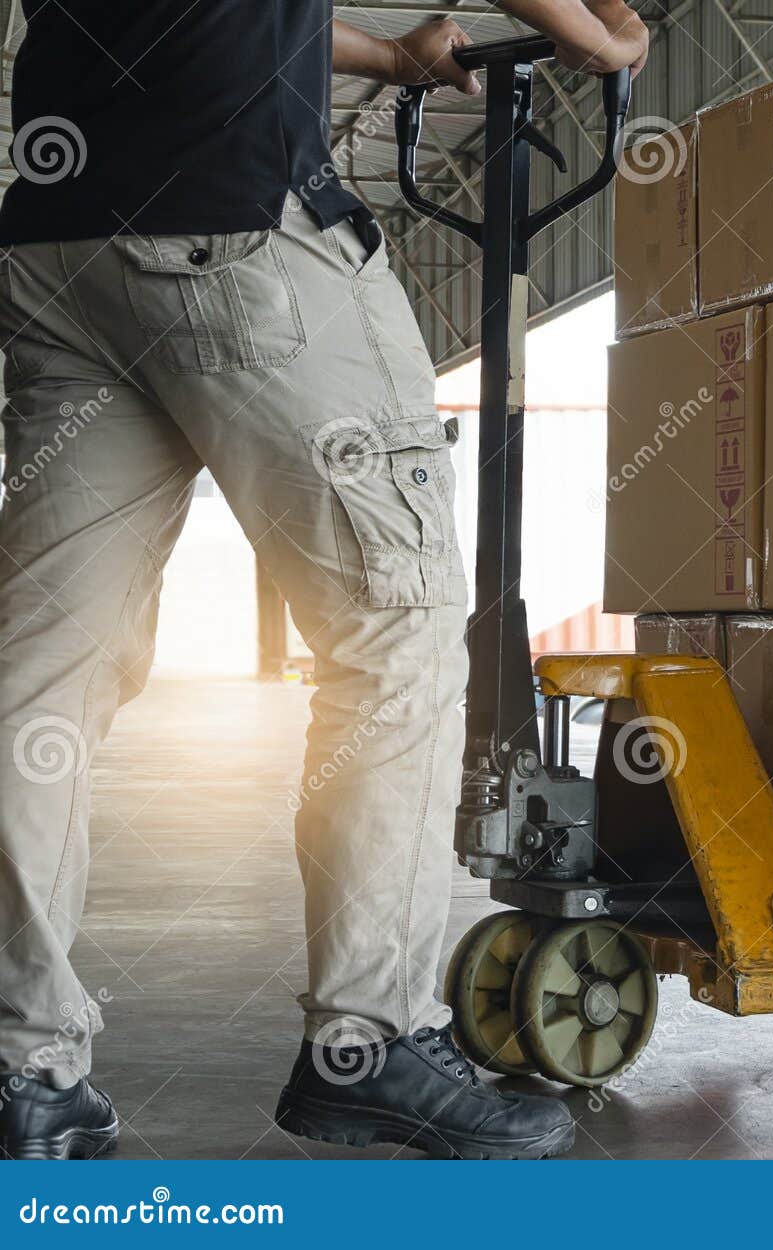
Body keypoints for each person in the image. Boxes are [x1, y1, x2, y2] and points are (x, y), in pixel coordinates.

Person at [0, 0, 646, 1161]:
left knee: (35, 679)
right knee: (395, 633)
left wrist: (389, 57)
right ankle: (367, 1041)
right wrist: (597, 37)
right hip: (234, 229)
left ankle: (21, 1069)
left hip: (63, 248)